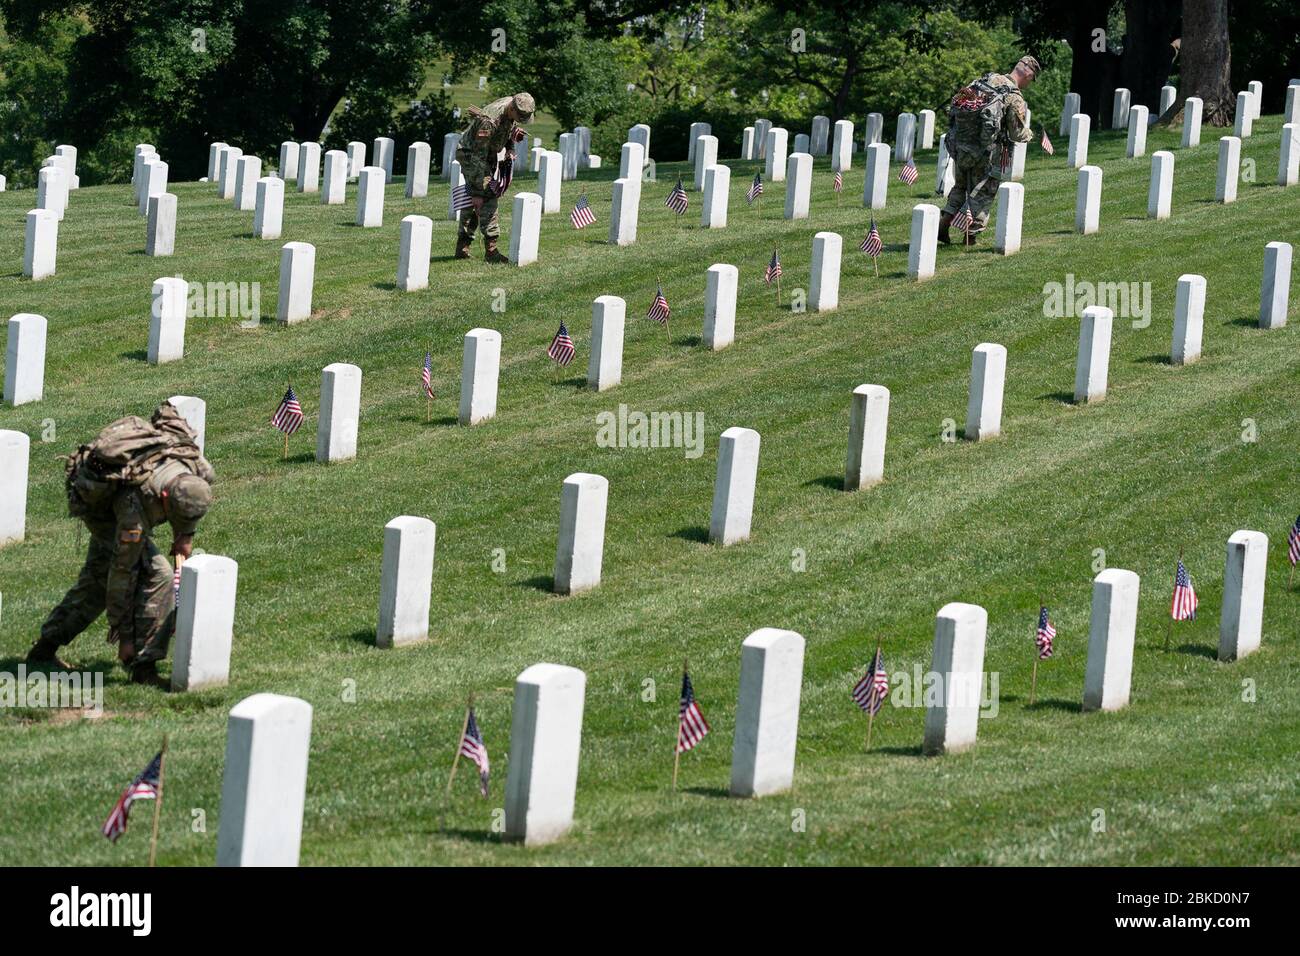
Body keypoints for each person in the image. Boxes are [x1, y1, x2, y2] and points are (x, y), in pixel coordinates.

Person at [27, 403, 214, 686]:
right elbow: (122, 573)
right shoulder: (133, 511)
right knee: (157, 574)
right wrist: (124, 635)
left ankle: (44, 649)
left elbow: (189, 510)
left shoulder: (197, 473)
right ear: (164, 496)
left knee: (95, 583)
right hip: (103, 514)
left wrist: (184, 536)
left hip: (126, 501)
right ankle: (143, 664)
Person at [939, 56, 1039, 245]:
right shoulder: (1014, 96)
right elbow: (1017, 133)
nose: (1029, 84)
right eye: (1032, 79)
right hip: (986, 153)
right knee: (983, 192)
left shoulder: (984, 80)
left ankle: (943, 225)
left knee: (960, 187)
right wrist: (1030, 134)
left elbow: (958, 102)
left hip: (961, 146)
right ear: (1027, 74)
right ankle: (970, 238)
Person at [454, 92, 535, 262]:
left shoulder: (510, 106)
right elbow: (477, 156)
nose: (520, 120)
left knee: (473, 201)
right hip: (471, 155)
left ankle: (463, 247)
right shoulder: (488, 121)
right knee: (487, 194)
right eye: (519, 116)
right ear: (512, 108)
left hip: (486, 153)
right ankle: (491, 251)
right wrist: (477, 191)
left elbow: (509, 127)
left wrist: (510, 146)